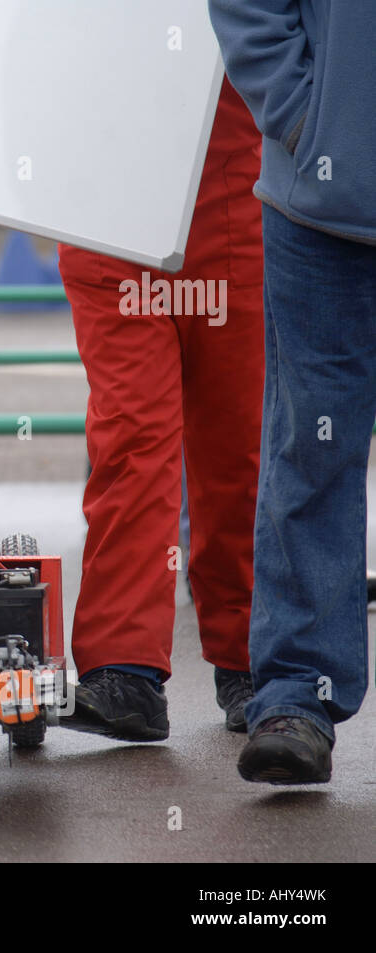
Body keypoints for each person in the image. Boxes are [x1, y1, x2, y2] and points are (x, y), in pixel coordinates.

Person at [56, 77, 264, 741]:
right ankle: (126, 670)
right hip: (110, 207)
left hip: (229, 191)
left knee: (240, 442)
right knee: (134, 438)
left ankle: (253, 657)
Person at [209, 0, 376, 784]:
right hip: (320, 210)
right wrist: (306, 123)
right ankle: (297, 702)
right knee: (310, 454)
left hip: (317, 183)